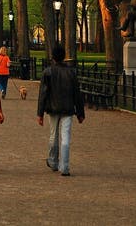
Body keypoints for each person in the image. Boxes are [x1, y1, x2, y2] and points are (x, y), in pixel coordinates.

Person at [37, 43, 85, 177]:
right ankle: (64, 166)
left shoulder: (48, 72)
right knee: (66, 137)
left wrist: (39, 113)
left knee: (53, 136)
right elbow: (77, 93)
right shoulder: (71, 72)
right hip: (68, 108)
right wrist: (80, 113)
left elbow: (43, 94)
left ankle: (53, 161)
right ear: (64, 57)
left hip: (52, 108)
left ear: (53, 57)